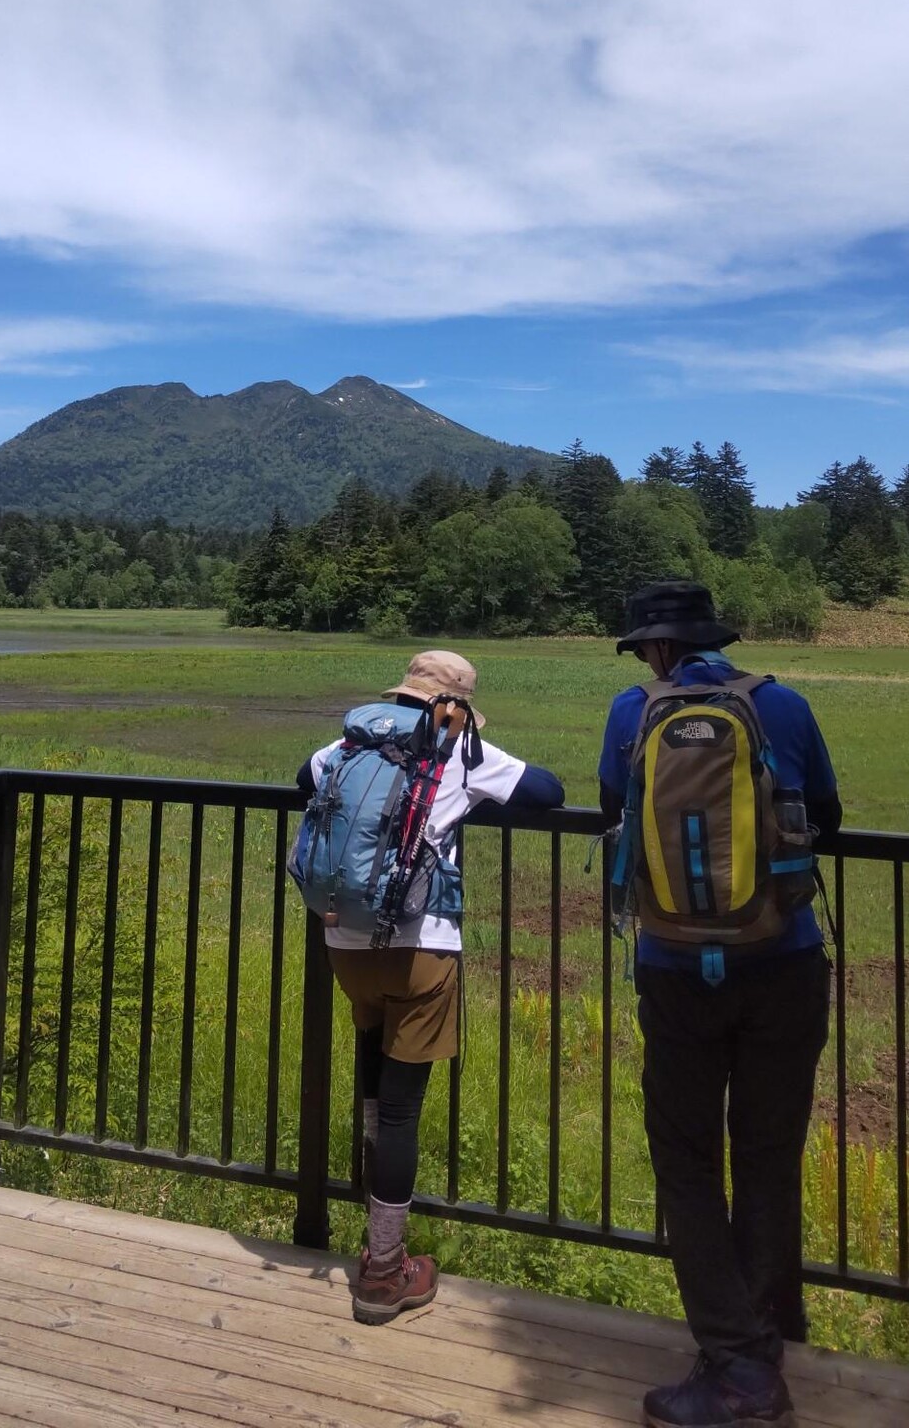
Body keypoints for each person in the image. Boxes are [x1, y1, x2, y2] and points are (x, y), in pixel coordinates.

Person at [599, 581, 842, 1428]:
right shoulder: (784, 705)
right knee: (769, 1154)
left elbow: (614, 812)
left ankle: (737, 1366)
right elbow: (829, 818)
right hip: (783, 961)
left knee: (687, 1163)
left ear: (652, 650)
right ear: (715, 639)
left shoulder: (633, 717)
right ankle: (764, 1335)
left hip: (673, 969)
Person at [296, 647, 564, 1325]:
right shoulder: (461, 751)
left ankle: (367, 1230)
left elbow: (304, 777)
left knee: (370, 1082)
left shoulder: (349, 743)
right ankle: (385, 1271)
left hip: (345, 944)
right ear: (458, 702)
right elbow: (548, 793)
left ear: (404, 691)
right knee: (401, 1110)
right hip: (420, 950)